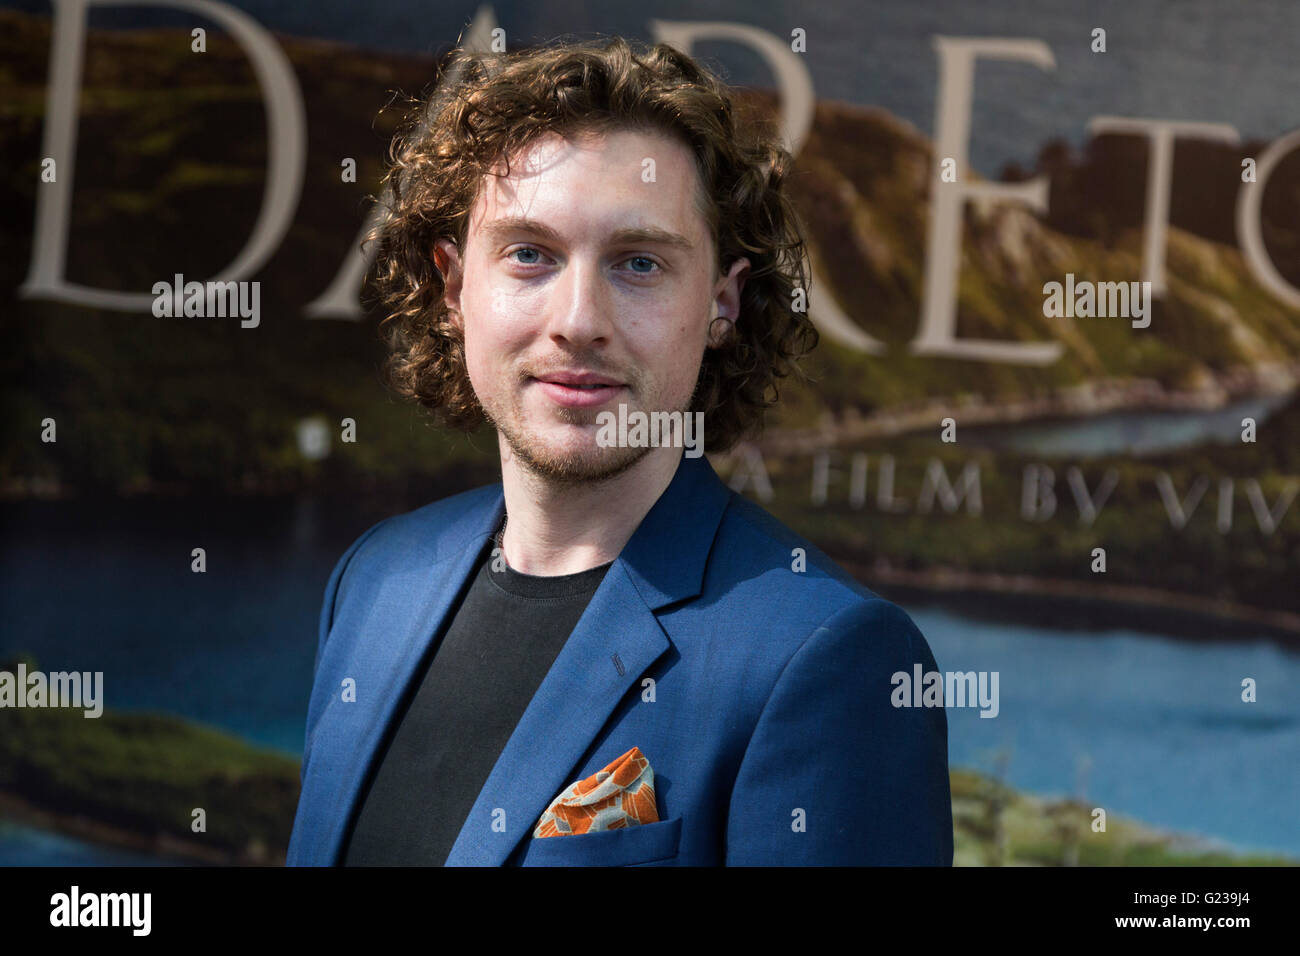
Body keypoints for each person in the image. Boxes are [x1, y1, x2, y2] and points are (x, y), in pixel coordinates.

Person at [287, 35, 952, 866]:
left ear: (721, 304)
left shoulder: (829, 657)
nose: (579, 319)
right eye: (530, 254)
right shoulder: (374, 579)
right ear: (457, 288)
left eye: (639, 263)